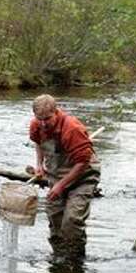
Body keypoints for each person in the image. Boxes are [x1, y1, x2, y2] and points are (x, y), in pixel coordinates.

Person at [28, 94, 101, 255]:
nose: (43, 123)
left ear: (56, 112)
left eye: (47, 119)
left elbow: (83, 162)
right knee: (54, 217)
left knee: (72, 220)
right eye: (39, 119)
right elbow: (39, 144)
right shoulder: (36, 125)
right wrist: (39, 165)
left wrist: (61, 185)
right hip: (57, 174)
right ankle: (59, 257)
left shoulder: (72, 129)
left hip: (83, 176)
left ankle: (75, 259)